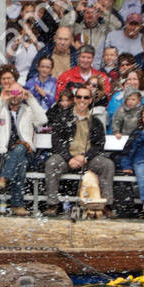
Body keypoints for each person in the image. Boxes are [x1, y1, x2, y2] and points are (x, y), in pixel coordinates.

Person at [43, 85, 114, 216]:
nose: (82, 100)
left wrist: (86, 157)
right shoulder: (63, 117)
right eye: (79, 96)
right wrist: (69, 158)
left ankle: (106, 205)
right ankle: (52, 205)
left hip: (88, 159)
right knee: (52, 163)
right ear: (74, 99)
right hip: (67, 158)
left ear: (91, 100)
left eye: (86, 97)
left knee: (107, 164)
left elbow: (99, 144)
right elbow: (57, 142)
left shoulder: (95, 121)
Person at [0, 76, 45, 216]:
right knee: (20, 163)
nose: (15, 96)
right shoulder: (1, 110)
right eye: (12, 92)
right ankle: (17, 205)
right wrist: (1, 99)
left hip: (26, 151)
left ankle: (3, 178)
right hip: (4, 154)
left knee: (20, 149)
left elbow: (43, 119)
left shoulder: (29, 110)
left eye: (18, 92)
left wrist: (30, 98)